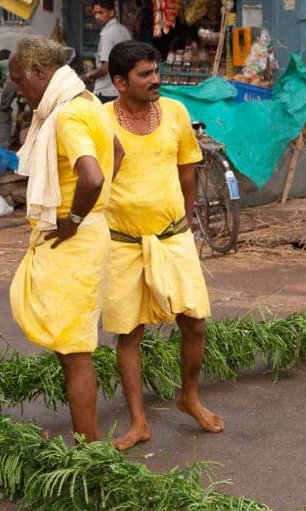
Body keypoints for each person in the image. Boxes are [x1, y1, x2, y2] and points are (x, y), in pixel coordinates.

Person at [102, 40, 224, 451]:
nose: (155, 79)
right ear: (120, 82)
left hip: (173, 237)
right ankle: (138, 422)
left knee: (195, 323)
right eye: (145, 74)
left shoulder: (175, 112)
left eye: (156, 71)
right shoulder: (101, 121)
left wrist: (186, 220)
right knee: (129, 333)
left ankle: (189, 396)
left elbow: (187, 170)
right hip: (122, 243)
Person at [7, 36, 116, 442]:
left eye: (19, 79)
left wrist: (74, 219)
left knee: (75, 353)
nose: (17, 89)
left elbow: (93, 176)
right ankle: (87, 442)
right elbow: (117, 152)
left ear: (39, 72)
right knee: (70, 346)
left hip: (75, 240)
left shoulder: (68, 115)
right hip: (84, 234)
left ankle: (89, 449)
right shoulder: (88, 101)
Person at [82, 0, 132, 103]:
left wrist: (88, 76)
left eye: (101, 12)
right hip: (124, 89)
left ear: (111, 13)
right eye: (95, 13)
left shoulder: (107, 33)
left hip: (106, 91)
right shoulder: (124, 30)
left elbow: (105, 68)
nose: (97, 17)